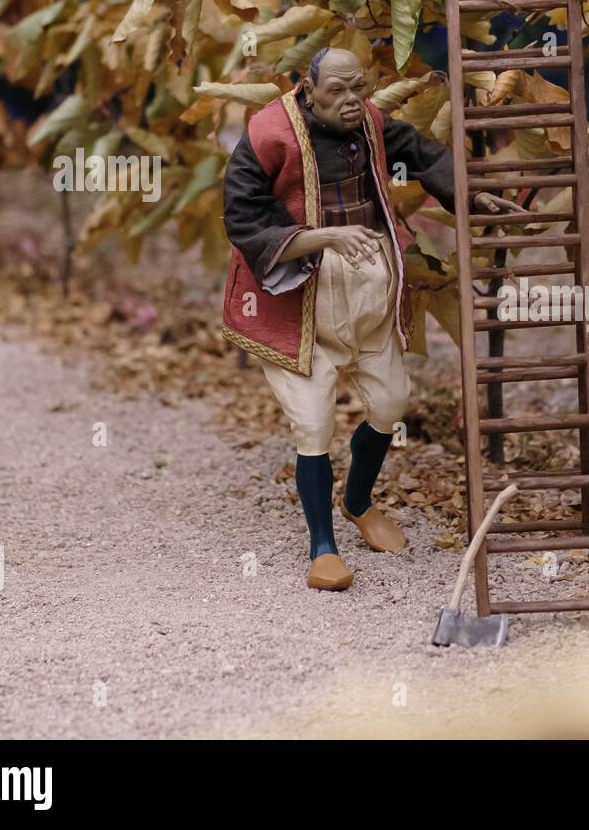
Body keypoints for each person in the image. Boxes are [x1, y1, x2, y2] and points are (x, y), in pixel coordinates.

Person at [221, 48, 521, 590]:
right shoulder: (270, 133)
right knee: (314, 424)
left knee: (389, 403)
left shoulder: (373, 125)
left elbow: (424, 155)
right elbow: (241, 212)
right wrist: (320, 237)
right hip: (303, 299)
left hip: (371, 296)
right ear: (308, 90)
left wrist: (473, 196)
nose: (351, 100)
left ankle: (358, 502)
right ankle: (322, 545)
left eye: (358, 87)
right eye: (336, 90)